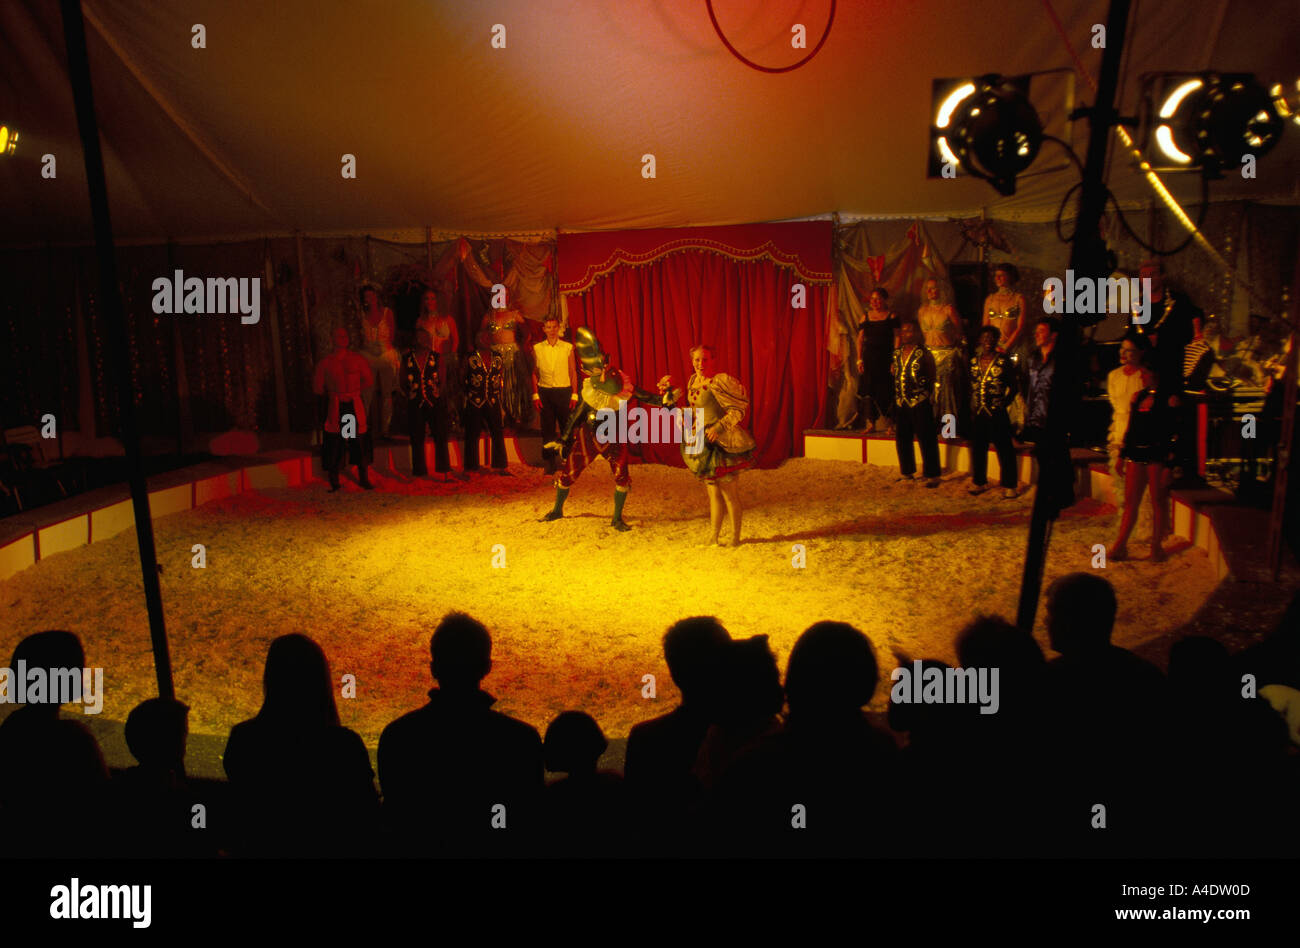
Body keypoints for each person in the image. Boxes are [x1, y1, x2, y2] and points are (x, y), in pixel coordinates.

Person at [377, 612, 544, 855]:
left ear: (434, 668)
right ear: (487, 667)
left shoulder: (398, 737)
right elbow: (527, 827)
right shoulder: (521, 740)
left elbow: (399, 824)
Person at [222, 634, 380, 856]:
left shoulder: (243, 739)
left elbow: (242, 819)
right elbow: (367, 823)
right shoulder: (342, 746)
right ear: (320, 680)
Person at [540, 327, 677, 531]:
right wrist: (565, 438)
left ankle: (617, 518)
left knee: (622, 476)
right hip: (589, 435)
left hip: (615, 437)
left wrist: (666, 398)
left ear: (606, 359)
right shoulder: (589, 388)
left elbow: (645, 396)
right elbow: (577, 415)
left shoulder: (622, 384)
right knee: (569, 473)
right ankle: (558, 509)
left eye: (601, 361)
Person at [659, 344, 756, 546]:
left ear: (713, 360)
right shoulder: (693, 381)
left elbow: (739, 409)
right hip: (703, 441)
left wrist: (720, 427)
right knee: (713, 492)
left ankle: (735, 537)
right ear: (691, 361)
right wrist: (675, 405)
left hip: (722, 444)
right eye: (697, 359)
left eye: (705, 359)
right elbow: (696, 411)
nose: (701, 364)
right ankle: (714, 535)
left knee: (729, 493)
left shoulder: (720, 382)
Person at [1112, 355, 1174, 562]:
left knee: (1157, 500)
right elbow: (1132, 428)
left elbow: (1173, 433)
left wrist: (1170, 464)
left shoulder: (1168, 398)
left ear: (1154, 374)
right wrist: (1122, 455)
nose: (1142, 376)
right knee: (1131, 501)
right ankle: (1121, 544)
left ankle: (1156, 546)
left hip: (1156, 453)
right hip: (1136, 452)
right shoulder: (1138, 396)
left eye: (1145, 373)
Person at [1022, 316, 1075, 513]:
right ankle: (1050, 492)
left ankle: (1064, 494)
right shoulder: (1033, 358)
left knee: (1058, 455)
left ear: (1053, 335)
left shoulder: (1062, 359)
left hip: (1056, 415)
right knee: (1043, 455)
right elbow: (1029, 387)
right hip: (1036, 415)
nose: (1036, 334)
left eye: (1041, 331)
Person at [312, 326, 375, 491]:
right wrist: (335, 393)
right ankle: (334, 478)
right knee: (335, 441)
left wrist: (353, 392)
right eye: (339, 336)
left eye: (345, 335)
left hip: (353, 403)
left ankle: (363, 477)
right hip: (336, 404)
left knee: (358, 440)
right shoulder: (325, 363)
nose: (343, 338)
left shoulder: (358, 359)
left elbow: (368, 380)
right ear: (332, 339)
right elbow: (318, 387)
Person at [400, 328, 461, 481]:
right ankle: (419, 472)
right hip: (415, 401)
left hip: (434, 401)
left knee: (440, 434)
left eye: (427, 338)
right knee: (416, 437)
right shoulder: (407, 358)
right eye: (421, 338)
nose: (425, 341)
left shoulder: (436, 357)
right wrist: (410, 394)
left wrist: (437, 393)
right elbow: (402, 380)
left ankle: (444, 470)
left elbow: (442, 377)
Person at [968, 325, 1019, 498]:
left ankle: (1010, 484)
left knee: (1005, 449)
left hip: (997, 412)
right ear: (980, 340)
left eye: (991, 338)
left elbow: (1014, 386)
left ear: (997, 340)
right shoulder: (974, 361)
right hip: (979, 412)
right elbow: (969, 385)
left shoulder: (1004, 361)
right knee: (978, 448)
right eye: (985, 338)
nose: (988, 341)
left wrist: (1005, 402)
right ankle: (979, 482)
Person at [891, 321, 941, 487]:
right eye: (903, 332)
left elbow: (933, 376)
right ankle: (907, 472)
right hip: (901, 401)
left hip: (919, 400)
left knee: (926, 438)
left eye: (910, 331)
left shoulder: (924, 353)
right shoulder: (897, 353)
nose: (906, 334)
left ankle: (932, 474)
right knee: (902, 438)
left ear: (917, 333)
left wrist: (928, 395)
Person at [530, 315, 579, 475]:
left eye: (554, 327)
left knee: (567, 428)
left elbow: (573, 371)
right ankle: (550, 462)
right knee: (548, 428)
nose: (551, 330)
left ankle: (568, 460)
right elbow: (534, 373)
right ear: (544, 329)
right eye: (548, 327)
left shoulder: (567, 347)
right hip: (545, 392)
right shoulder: (537, 348)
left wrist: (574, 394)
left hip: (563, 391)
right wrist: (536, 395)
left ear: (559, 328)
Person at [917, 277, 965, 434]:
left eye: (934, 288)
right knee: (928, 393)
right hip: (929, 354)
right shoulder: (922, 310)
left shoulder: (948, 310)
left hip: (946, 355)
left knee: (947, 394)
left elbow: (960, 333)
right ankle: (929, 427)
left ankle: (949, 430)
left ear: (941, 290)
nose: (930, 292)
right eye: (928, 289)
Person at [1106, 336, 1146, 511]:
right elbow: (1115, 402)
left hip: (1140, 429)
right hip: (1120, 427)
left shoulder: (1144, 375)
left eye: (1128, 350)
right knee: (1119, 477)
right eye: (1122, 349)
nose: (1123, 353)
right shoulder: (1114, 375)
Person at [462, 330, 509, 474]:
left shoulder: (498, 358)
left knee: (497, 432)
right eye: (484, 338)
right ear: (478, 340)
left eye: (489, 337)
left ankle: (500, 466)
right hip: (474, 399)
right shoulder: (470, 358)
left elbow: (500, 377)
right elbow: (461, 377)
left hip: (493, 399)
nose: (487, 340)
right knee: (472, 433)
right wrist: (467, 393)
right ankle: (471, 466)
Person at [483, 293, 533, 428]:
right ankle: (498, 415)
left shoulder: (514, 314)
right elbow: (481, 335)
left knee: (512, 385)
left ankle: (514, 416)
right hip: (494, 354)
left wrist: (523, 344)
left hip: (512, 354)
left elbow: (527, 332)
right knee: (496, 385)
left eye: (504, 295)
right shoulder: (489, 316)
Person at [854, 288, 900, 433]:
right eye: (872, 299)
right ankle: (870, 423)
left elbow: (897, 338)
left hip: (886, 358)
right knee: (869, 390)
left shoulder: (892, 316)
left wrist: (895, 360)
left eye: (878, 299)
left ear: (884, 300)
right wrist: (859, 360)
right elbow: (860, 339)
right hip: (869, 358)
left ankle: (890, 425)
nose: (874, 302)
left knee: (888, 389)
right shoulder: (865, 317)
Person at [415, 288, 461, 431]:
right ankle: (432, 423)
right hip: (429, 363)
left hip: (446, 360)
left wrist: (451, 356)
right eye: (427, 298)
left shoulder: (448, 319)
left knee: (449, 392)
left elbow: (456, 340)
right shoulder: (421, 321)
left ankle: (453, 422)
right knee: (431, 393)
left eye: (432, 298)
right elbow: (418, 341)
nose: (430, 301)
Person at [358, 283, 400, 439]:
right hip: (367, 355)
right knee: (366, 393)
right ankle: (363, 427)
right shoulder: (361, 315)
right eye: (366, 297)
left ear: (377, 296)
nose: (369, 299)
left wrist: (385, 347)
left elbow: (392, 333)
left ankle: (385, 428)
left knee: (387, 393)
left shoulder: (387, 313)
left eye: (372, 295)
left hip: (385, 353)